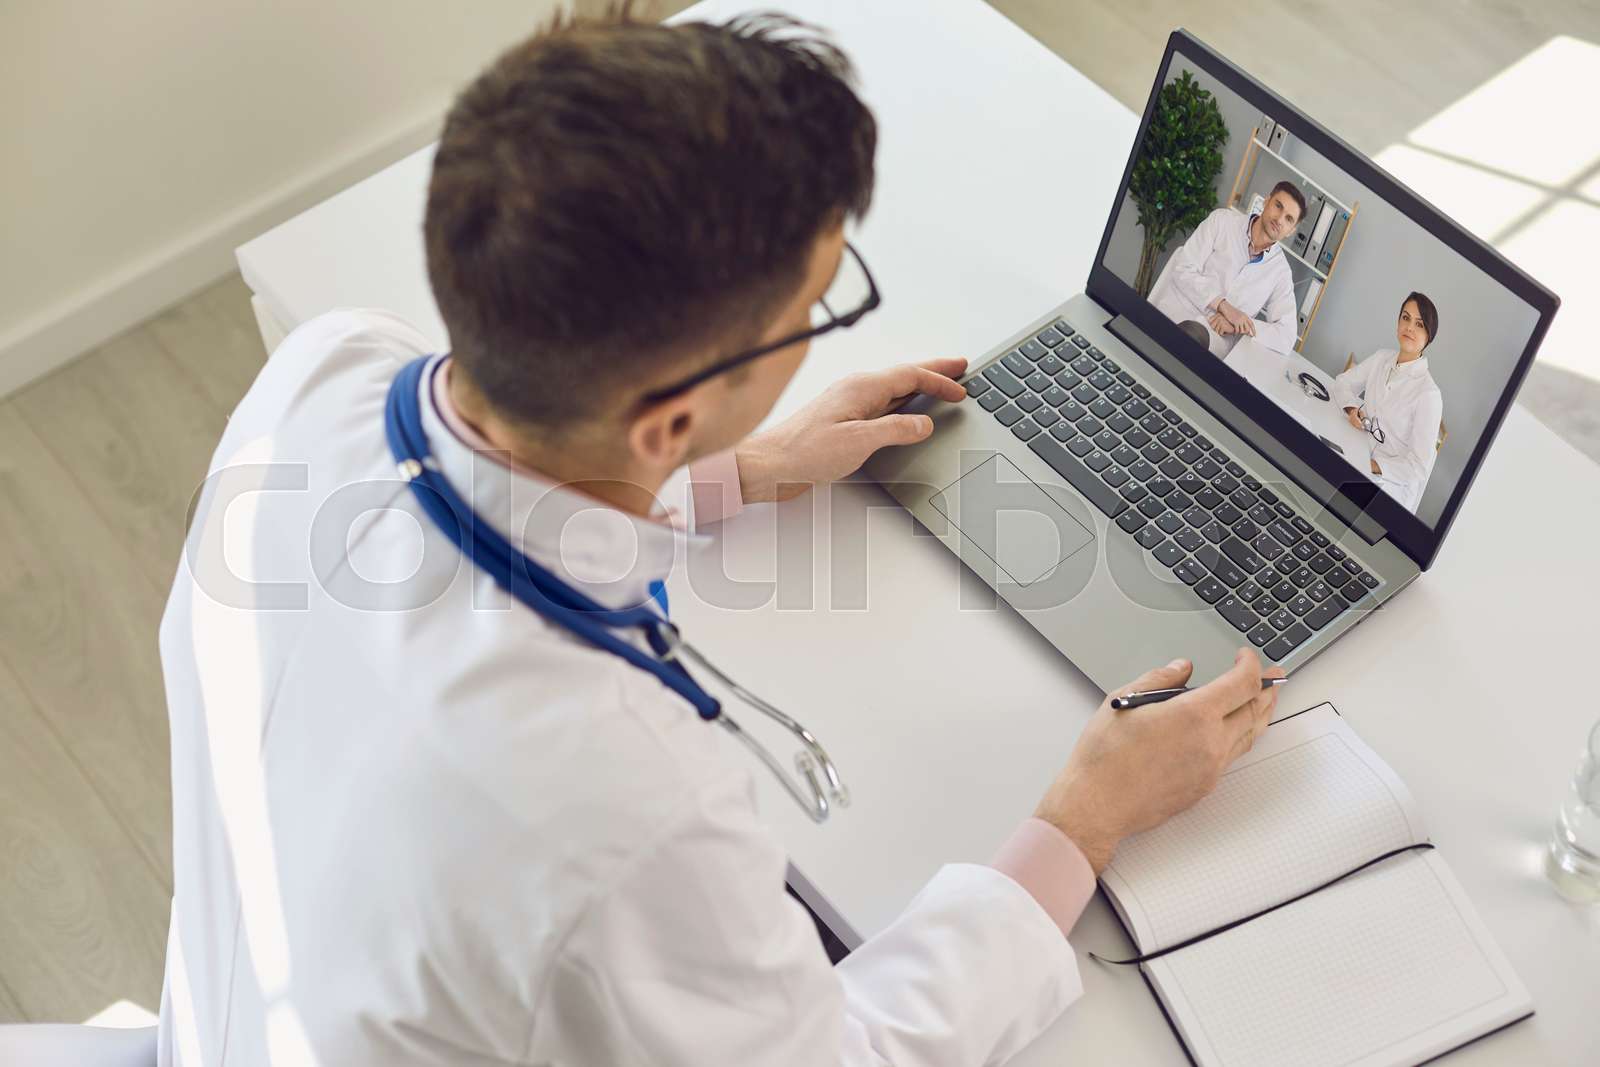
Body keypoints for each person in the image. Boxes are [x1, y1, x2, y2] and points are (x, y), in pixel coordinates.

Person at [156, 13, 1282, 1065]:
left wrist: (740, 466)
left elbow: (506, 482)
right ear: (668, 412)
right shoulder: (625, 809)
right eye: (810, 306)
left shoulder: (328, 368)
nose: (814, 326)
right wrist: (1085, 821)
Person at [1147, 181, 1305, 358]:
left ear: (1291, 230)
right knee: (1183, 343)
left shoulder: (1280, 272)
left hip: (1215, 339)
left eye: (1289, 219)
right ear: (1266, 201)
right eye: (1278, 206)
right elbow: (1183, 268)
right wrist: (1224, 306)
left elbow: (1286, 336)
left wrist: (1239, 325)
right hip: (1178, 314)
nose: (1279, 219)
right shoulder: (1222, 221)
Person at [1332, 292, 1444, 514]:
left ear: (1429, 336)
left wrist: (1374, 467)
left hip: (1388, 485)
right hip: (1358, 450)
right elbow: (1343, 383)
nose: (1409, 327)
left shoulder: (1429, 394)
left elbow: (1417, 469)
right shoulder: (1381, 358)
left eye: (1419, 324)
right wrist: (1353, 409)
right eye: (1405, 318)